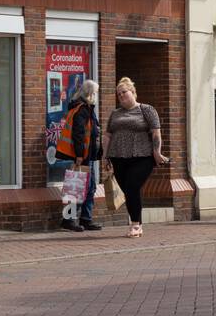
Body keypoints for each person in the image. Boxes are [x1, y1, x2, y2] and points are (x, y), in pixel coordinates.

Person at [105, 77, 168, 238]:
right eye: (118, 94)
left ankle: (135, 224)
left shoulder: (146, 110)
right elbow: (107, 136)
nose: (121, 96)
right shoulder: (115, 113)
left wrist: (157, 153)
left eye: (124, 92)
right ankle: (137, 223)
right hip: (118, 156)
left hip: (142, 156)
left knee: (132, 186)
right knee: (129, 190)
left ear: (133, 92)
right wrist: (105, 156)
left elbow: (156, 132)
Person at [60, 79, 103, 233]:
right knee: (78, 187)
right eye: (96, 93)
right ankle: (68, 220)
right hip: (83, 155)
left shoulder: (87, 108)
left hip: (88, 155)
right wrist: (79, 155)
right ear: (90, 94)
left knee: (89, 187)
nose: (97, 95)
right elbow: (78, 134)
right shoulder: (82, 110)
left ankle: (86, 218)